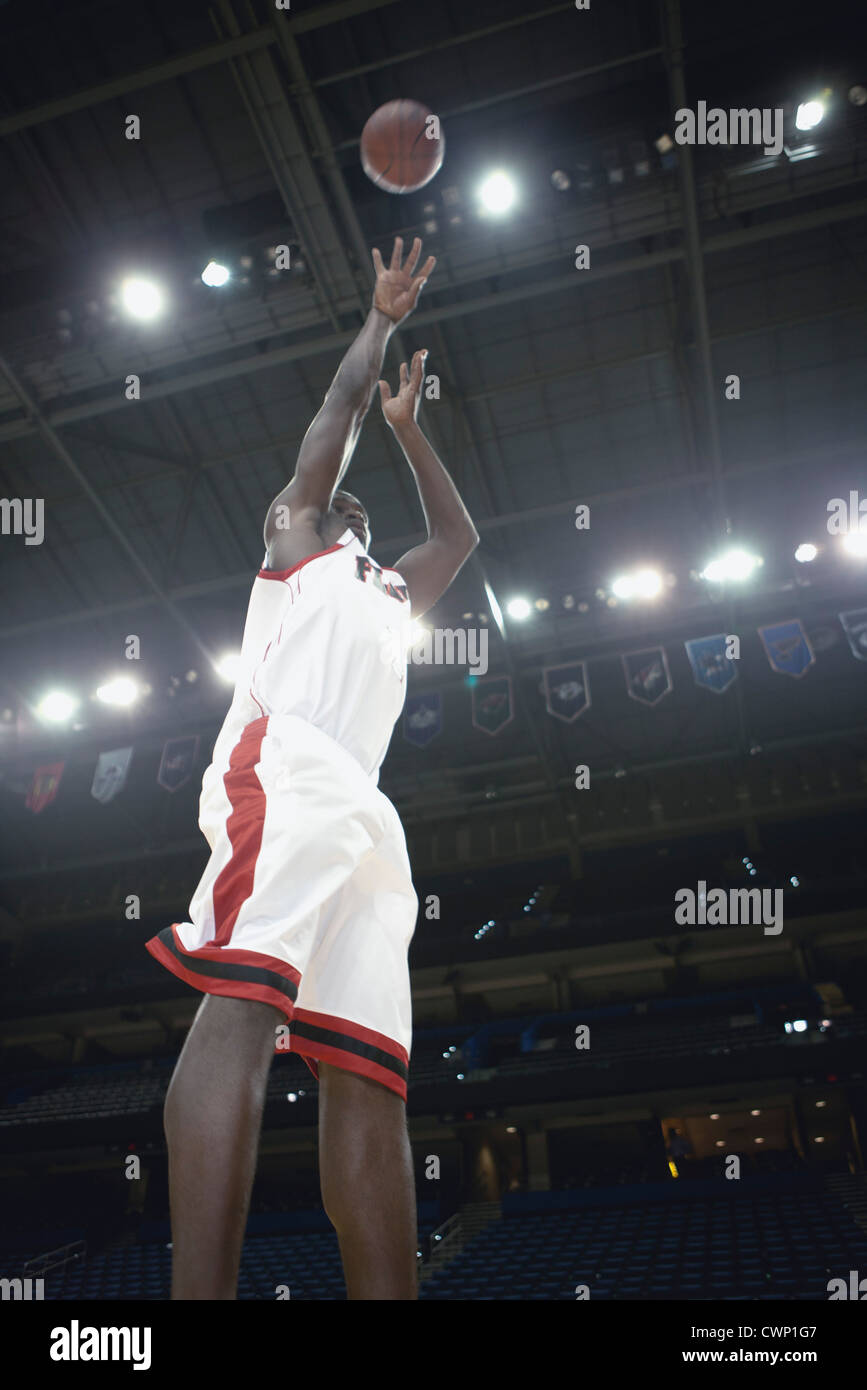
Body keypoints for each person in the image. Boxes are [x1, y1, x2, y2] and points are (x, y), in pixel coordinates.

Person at [146, 236, 478, 1300]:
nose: (352, 500)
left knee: (368, 1074)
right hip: (283, 759)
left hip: (367, 816)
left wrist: (411, 431)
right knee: (241, 999)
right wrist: (377, 323)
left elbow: (460, 535)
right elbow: (326, 433)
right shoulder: (297, 540)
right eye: (345, 495)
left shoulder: (384, 587)